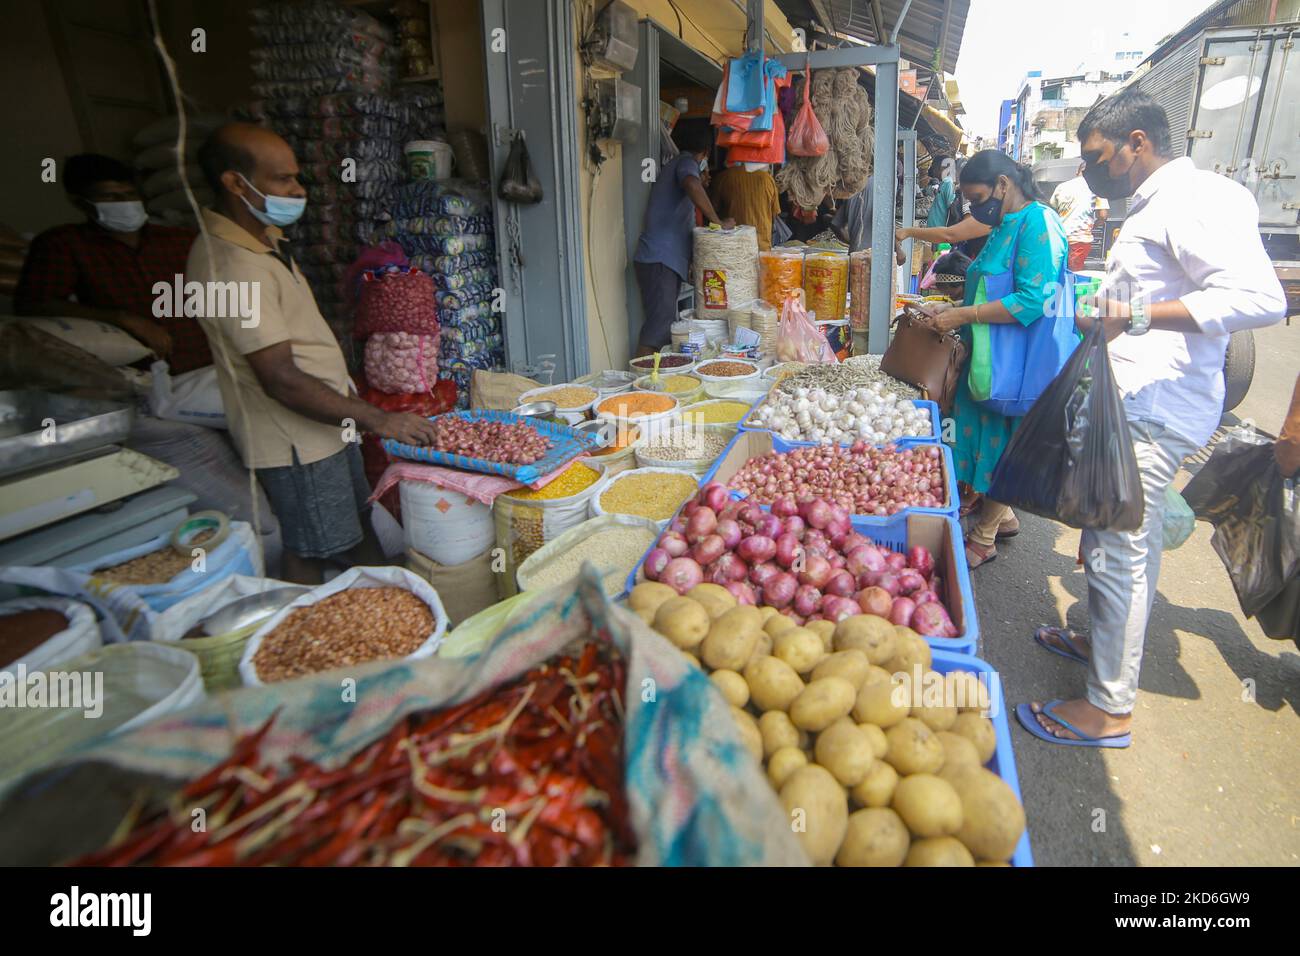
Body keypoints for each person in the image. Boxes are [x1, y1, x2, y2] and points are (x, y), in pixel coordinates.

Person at [1019, 88, 1286, 748]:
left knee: (1117, 553)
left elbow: (1258, 297)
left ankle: (1109, 710)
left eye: (1095, 156)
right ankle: (1099, 642)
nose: (1088, 170)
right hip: (1130, 401)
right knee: (1120, 545)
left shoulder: (1199, 198)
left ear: (1137, 143)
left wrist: (1133, 314)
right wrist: (1109, 309)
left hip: (1156, 411)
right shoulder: (1150, 206)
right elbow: (1155, 292)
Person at [190, 123, 438, 584]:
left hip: (326, 428)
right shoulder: (230, 267)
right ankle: (305, 635)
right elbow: (280, 378)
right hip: (294, 441)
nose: (297, 190)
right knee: (313, 546)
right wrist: (378, 418)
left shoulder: (265, 243)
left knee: (352, 528)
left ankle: (388, 596)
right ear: (234, 183)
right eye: (283, 180)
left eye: (296, 177)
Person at [912, 149, 1069, 569]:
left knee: (1006, 450)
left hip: (1013, 366)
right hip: (988, 357)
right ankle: (1003, 516)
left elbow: (1034, 299)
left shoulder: (1039, 222)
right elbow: (988, 285)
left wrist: (962, 315)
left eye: (978, 196)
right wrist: (949, 311)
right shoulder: (1004, 223)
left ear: (1003, 185)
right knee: (990, 441)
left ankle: (983, 538)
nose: (975, 207)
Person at [14, 153, 212, 373]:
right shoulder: (65, 244)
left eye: (129, 194)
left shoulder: (178, 240)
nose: (124, 203)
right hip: (139, 370)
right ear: (78, 201)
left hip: (204, 362)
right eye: (109, 197)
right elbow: (34, 303)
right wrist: (122, 319)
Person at [632, 125, 733, 354]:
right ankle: (643, 384)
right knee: (658, 330)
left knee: (662, 325)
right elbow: (691, 183)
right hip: (660, 260)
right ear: (705, 153)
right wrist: (717, 221)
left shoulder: (676, 165)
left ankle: (651, 380)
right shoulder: (686, 162)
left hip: (663, 260)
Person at [1050, 161, 1108, 271]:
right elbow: (1103, 216)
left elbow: (1052, 210)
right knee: (1073, 275)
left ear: (1077, 172)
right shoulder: (1097, 188)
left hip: (1059, 238)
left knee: (1057, 272)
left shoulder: (1062, 187)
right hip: (1080, 240)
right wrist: (1094, 226)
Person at [709, 162, 780, 251]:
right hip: (761, 245)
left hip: (732, 245)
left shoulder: (723, 177)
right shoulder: (767, 178)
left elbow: (713, 209)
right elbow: (775, 213)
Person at [830, 176, 872, 253]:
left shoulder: (855, 187)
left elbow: (836, 224)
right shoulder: (882, 186)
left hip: (855, 254)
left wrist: (852, 242)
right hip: (873, 255)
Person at [924, 157, 960, 228]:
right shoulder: (944, 183)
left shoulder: (948, 183)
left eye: (934, 167)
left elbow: (952, 208)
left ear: (943, 168)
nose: (933, 171)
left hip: (939, 228)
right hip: (936, 228)